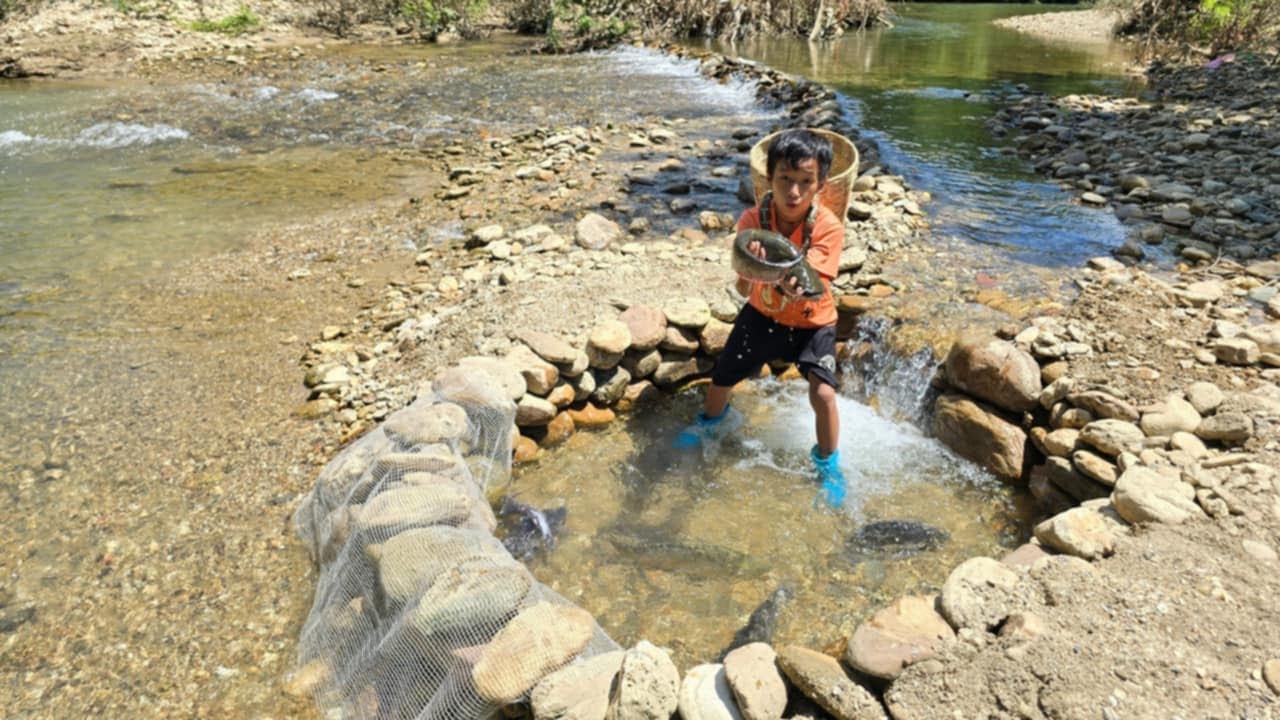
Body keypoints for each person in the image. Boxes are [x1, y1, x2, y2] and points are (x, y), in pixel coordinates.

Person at [674, 128, 847, 508]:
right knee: (722, 377)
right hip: (762, 313)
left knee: (823, 392)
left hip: (813, 320)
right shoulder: (752, 219)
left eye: (805, 182)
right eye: (785, 180)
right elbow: (741, 283)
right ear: (770, 178)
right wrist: (753, 264)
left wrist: (788, 283)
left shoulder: (829, 227)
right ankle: (709, 425)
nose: (794, 192)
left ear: (820, 185)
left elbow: (814, 281)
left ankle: (829, 465)